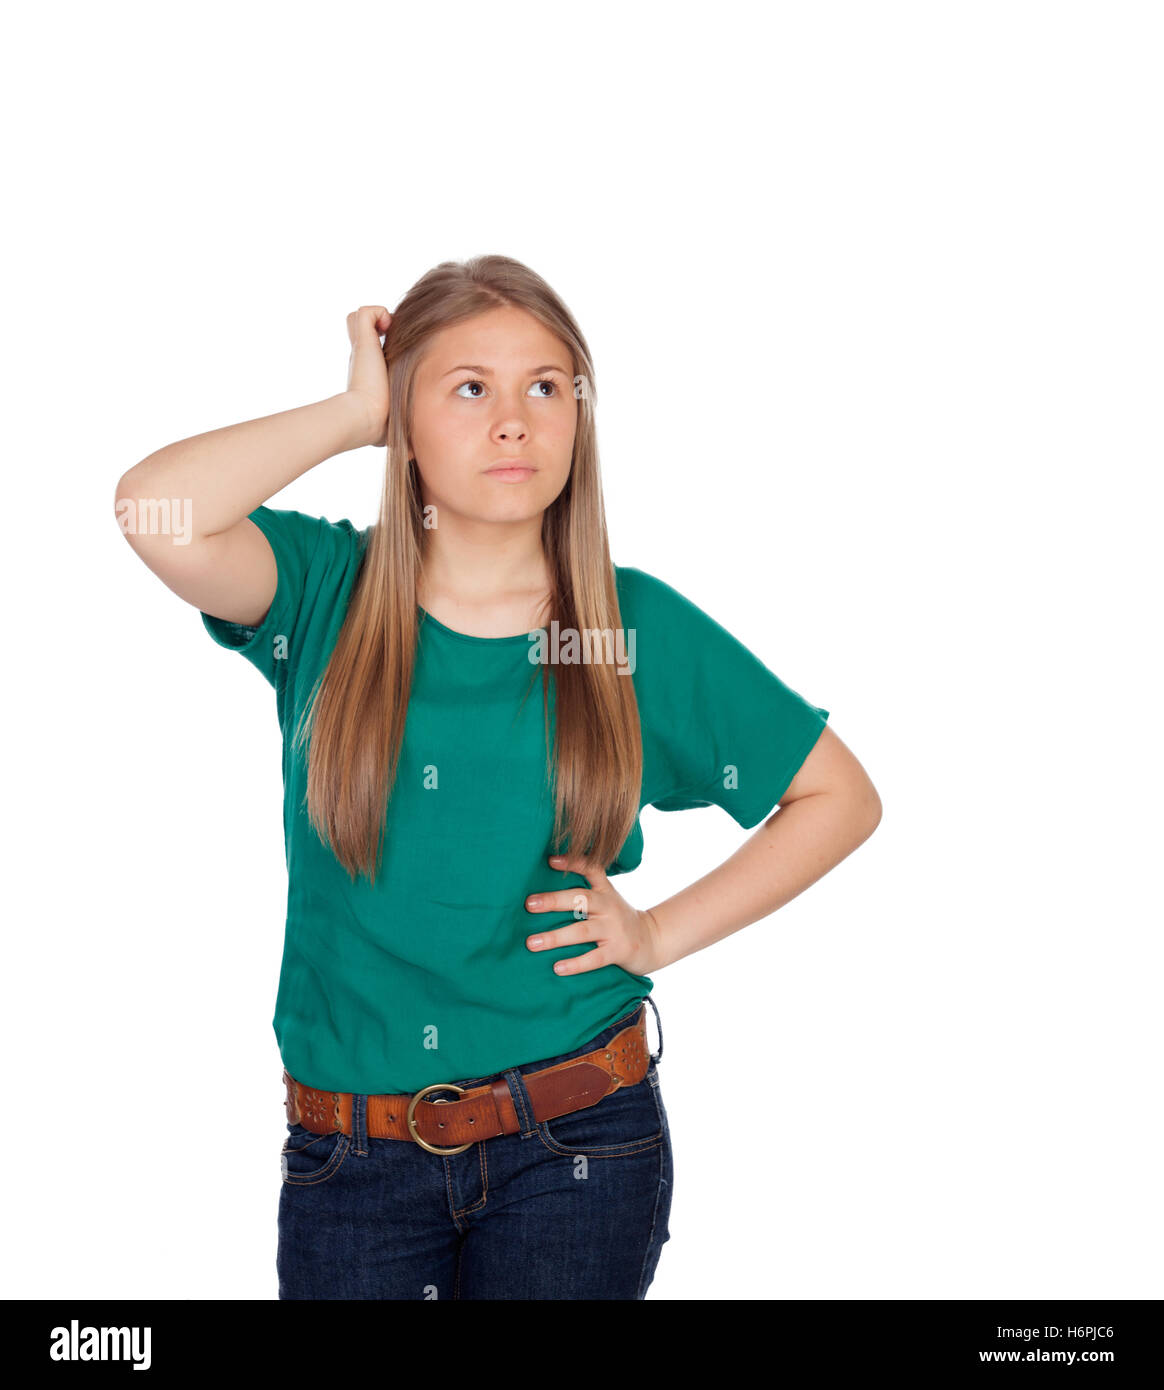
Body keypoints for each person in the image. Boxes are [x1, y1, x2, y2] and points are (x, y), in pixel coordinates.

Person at [114, 254, 882, 1300]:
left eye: (547, 386)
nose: (514, 419)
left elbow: (839, 797)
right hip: (352, 1155)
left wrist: (655, 933)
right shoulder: (320, 595)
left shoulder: (631, 627)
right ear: (405, 419)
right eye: (468, 387)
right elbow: (155, 510)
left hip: (576, 1143)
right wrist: (350, 414)